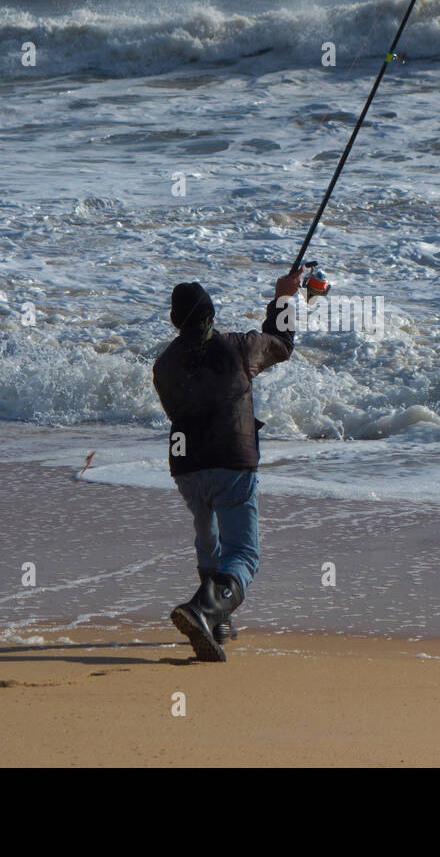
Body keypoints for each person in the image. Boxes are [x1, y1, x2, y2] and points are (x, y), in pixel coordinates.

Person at [152, 268, 304, 662]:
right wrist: (285, 297)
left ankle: (217, 622)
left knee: (209, 536)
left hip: (186, 466)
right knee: (244, 554)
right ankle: (204, 609)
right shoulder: (239, 348)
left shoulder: (163, 366)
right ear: (212, 316)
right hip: (231, 461)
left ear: (174, 321)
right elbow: (282, 344)